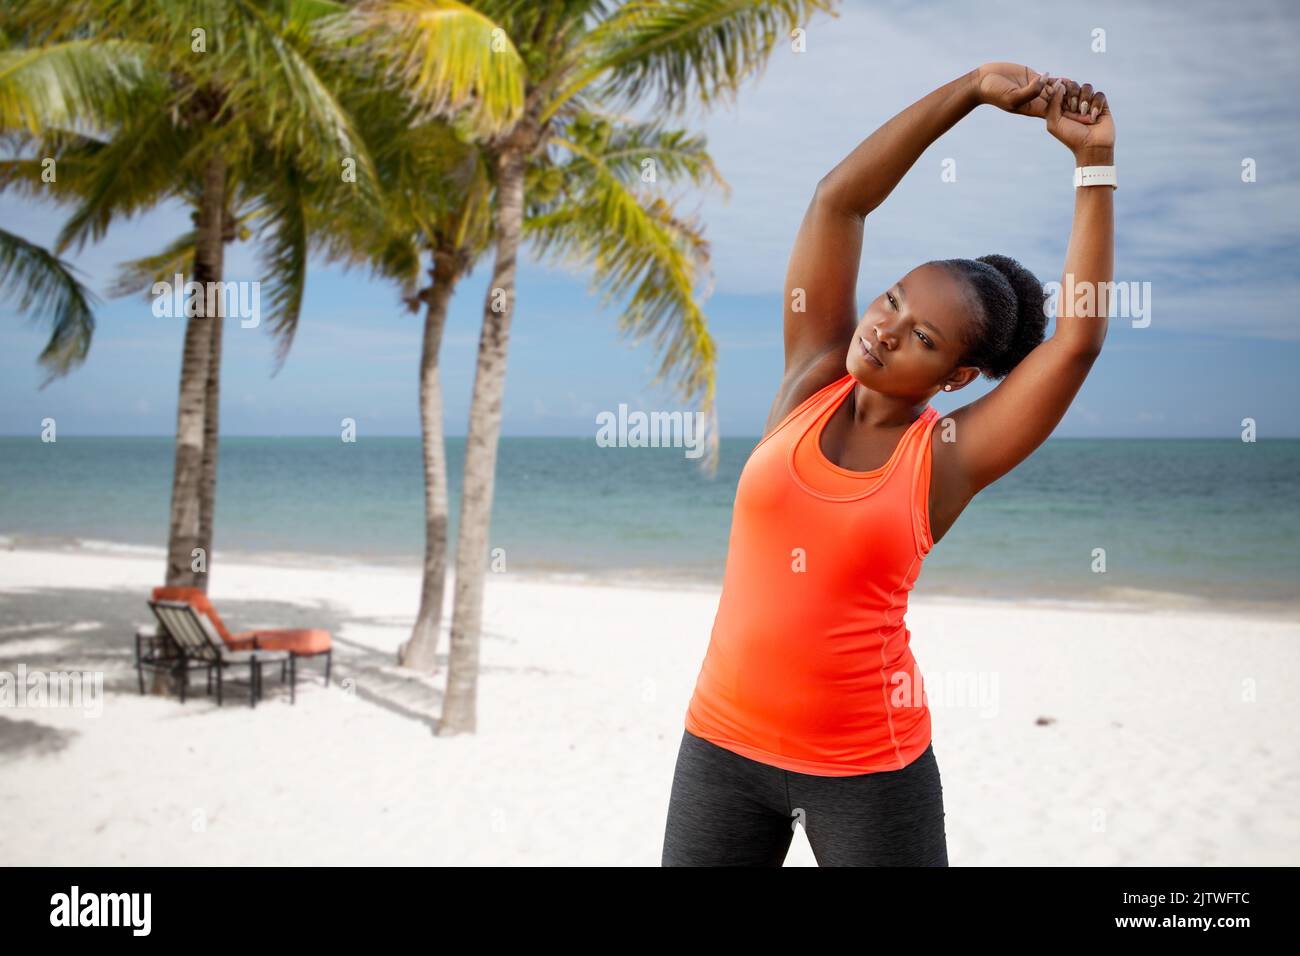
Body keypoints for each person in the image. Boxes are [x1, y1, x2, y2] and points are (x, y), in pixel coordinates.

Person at [661, 63, 1115, 866]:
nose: (887, 328)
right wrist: (969, 91)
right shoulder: (812, 375)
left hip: (869, 769)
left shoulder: (946, 457)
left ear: (955, 378)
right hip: (721, 749)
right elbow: (839, 200)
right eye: (895, 299)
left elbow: (1075, 342)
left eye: (925, 339)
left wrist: (1093, 166)